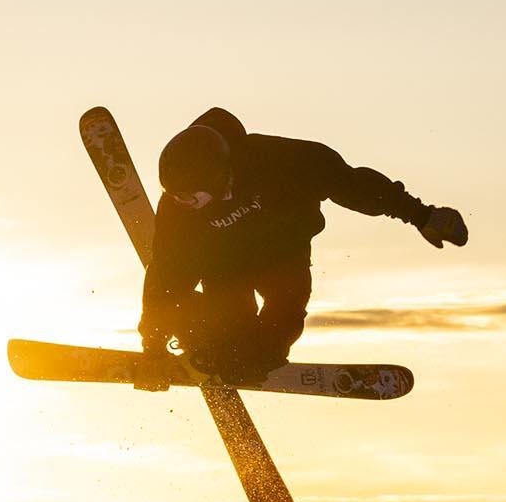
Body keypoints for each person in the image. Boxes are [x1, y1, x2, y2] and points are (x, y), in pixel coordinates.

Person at [138, 108, 466, 385]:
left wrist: (422, 215)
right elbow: (167, 273)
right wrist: (152, 345)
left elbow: (355, 187)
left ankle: (251, 354)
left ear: (219, 175)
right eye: (176, 195)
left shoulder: (285, 161)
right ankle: (211, 341)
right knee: (232, 343)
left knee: (279, 324)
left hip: (283, 252)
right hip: (224, 264)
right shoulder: (177, 212)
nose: (185, 203)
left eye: (191, 194)